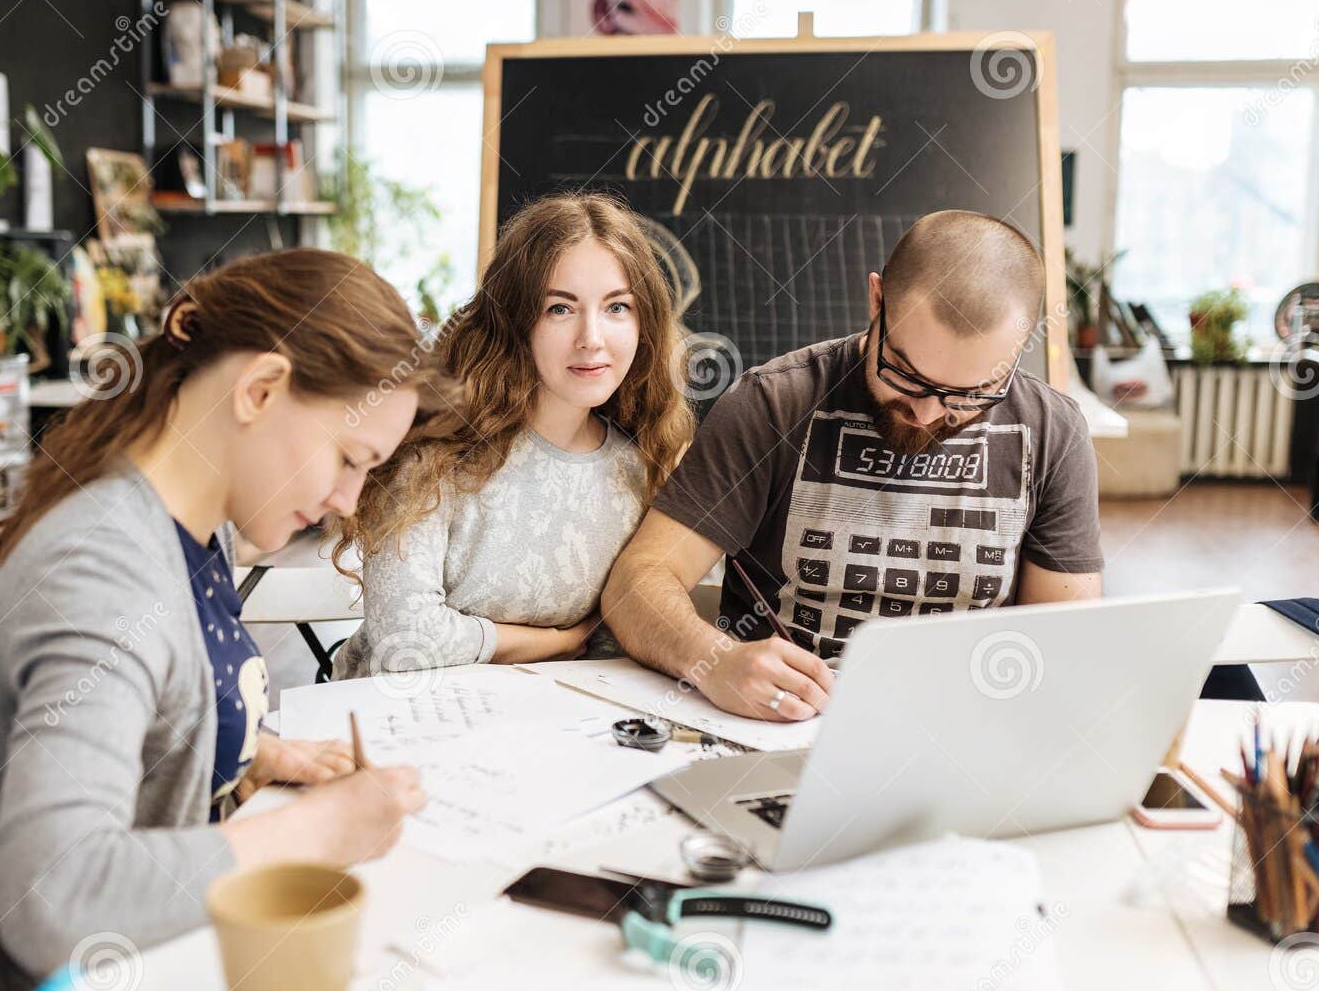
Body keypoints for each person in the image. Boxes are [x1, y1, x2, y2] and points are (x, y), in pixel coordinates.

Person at [0, 249, 443, 991]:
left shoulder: (194, 527)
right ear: (260, 389)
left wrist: (244, 750)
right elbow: (56, 895)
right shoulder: (104, 569)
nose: (347, 500)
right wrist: (321, 829)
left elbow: (152, 699)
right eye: (348, 459)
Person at [603, 210, 1104, 722]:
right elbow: (635, 585)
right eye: (906, 374)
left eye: (970, 393)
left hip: (968, 725)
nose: (928, 413)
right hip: (788, 724)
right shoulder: (772, 406)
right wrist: (716, 662)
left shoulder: (1052, 433)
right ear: (876, 300)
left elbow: (1062, 644)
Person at [329, 193, 694, 676]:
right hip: (398, 711)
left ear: (644, 322)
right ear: (515, 320)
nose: (591, 338)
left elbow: (624, 643)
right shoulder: (436, 453)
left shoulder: (644, 466)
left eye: (617, 307)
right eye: (559, 309)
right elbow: (404, 638)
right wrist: (556, 643)